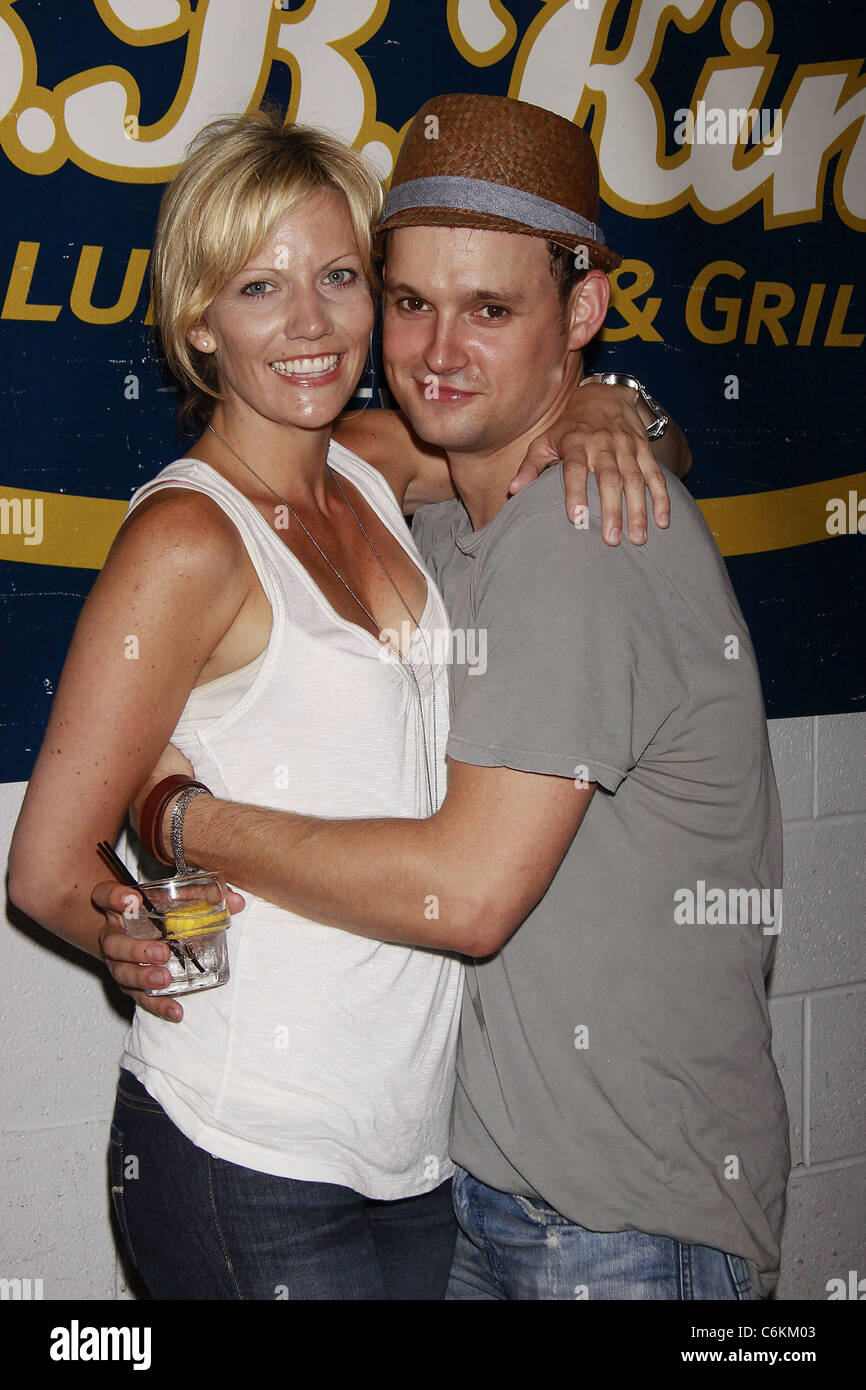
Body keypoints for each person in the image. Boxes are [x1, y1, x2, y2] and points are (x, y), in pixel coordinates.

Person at [99, 94, 789, 1301]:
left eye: (490, 309)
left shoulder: (579, 531)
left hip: (618, 1225)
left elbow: (464, 896)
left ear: (582, 311)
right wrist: (621, 405)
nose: (436, 352)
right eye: (411, 301)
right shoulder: (422, 520)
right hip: (475, 1190)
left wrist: (185, 819)